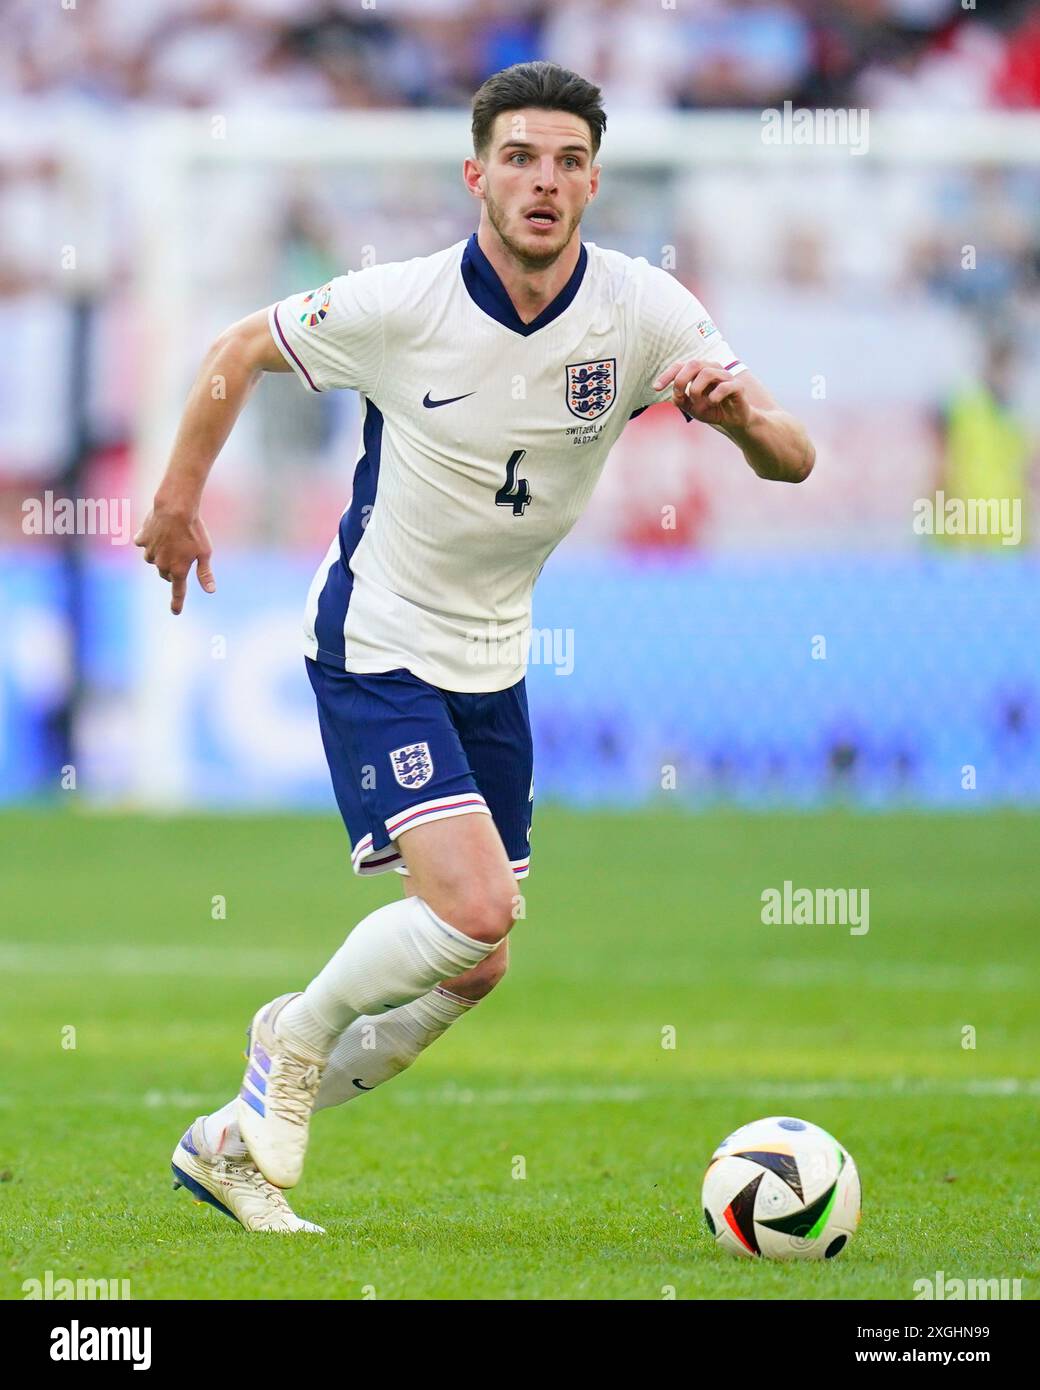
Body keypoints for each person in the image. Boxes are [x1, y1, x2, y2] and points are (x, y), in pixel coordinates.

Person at [135, 60, 814, 1232]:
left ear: (593, 182)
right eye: (517, 159)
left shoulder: (645, 309)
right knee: (477, 910)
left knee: (473, 961)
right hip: (375, 640)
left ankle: (226, 1146)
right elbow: (238, 347)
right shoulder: (400, 304)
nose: (541, 182)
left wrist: (740, 414)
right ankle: (286, 1044)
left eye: (563, 162)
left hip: (493, 662)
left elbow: (792, 459)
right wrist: (177, 497)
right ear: (475, 175)